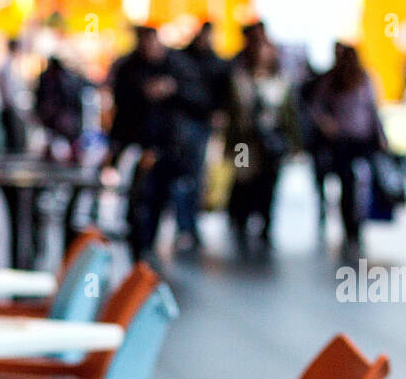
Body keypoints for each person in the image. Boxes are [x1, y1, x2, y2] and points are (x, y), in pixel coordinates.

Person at [107, 25, 211, 262]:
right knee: (139, 198)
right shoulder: (128, 68)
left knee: (164, 196)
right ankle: (140, 244)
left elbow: (200, 101)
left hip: (171, 145)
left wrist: (173, 90)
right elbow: (120, 109)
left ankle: (166, 237)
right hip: (139, 145)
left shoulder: (178, 66)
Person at [310, 43, 385, 256]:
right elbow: (317, 106)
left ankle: (357, 225)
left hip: (362, 140)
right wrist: (326, 124)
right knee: (347, 184)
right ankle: (349, 226)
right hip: (342, 141)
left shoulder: (364, 79)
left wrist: (380, 135)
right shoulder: (332, 80)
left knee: (359, 184)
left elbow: (373, 109)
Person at [226, 31, 294, 250]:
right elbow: (232, 114)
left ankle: (265, 224)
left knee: (269, 183)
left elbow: (289, 115)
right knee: (243, 180)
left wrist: (293, 144)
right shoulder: (240, 78)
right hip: (244, 142)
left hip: (271, 143)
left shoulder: (280, 81)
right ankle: (241, 221)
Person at [172, 21, 229, 251]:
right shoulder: (183, 60)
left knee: (194, 176)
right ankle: (185, 226)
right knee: (185, 176)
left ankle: (189, 226)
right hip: (186, 124)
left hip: (201, 124)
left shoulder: (216, 63)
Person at [34, 55, 86, 160]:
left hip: (59, 113)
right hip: (52, 113)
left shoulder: (62, 78)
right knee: (52, 135)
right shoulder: (49, 78)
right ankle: (52, 154)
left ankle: (73, 154)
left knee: (64, 135)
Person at [0, 37, 30, 153]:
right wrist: (8, 103)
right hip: (10, 105)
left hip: (13, 105)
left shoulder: (12, 64)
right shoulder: (7, 65)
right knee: (12, 137)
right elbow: (6, 87)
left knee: (15, 137)